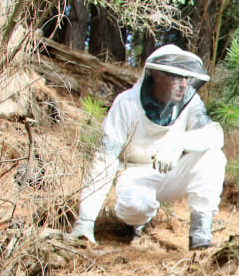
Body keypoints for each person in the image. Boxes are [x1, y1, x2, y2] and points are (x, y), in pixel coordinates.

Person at [66, 45, 225, 250]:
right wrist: (85, 220)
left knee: (213, 157)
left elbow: (214, 134)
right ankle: (136, 222)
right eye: (177, 77)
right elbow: (104, 159)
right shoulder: (126, 104)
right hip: (134, 174)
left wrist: (178, 144)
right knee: (136, 206)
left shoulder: (190, 101)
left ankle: (200, 234)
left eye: (186, 78)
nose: (184, 85)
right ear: (157, 75)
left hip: (171, 172)